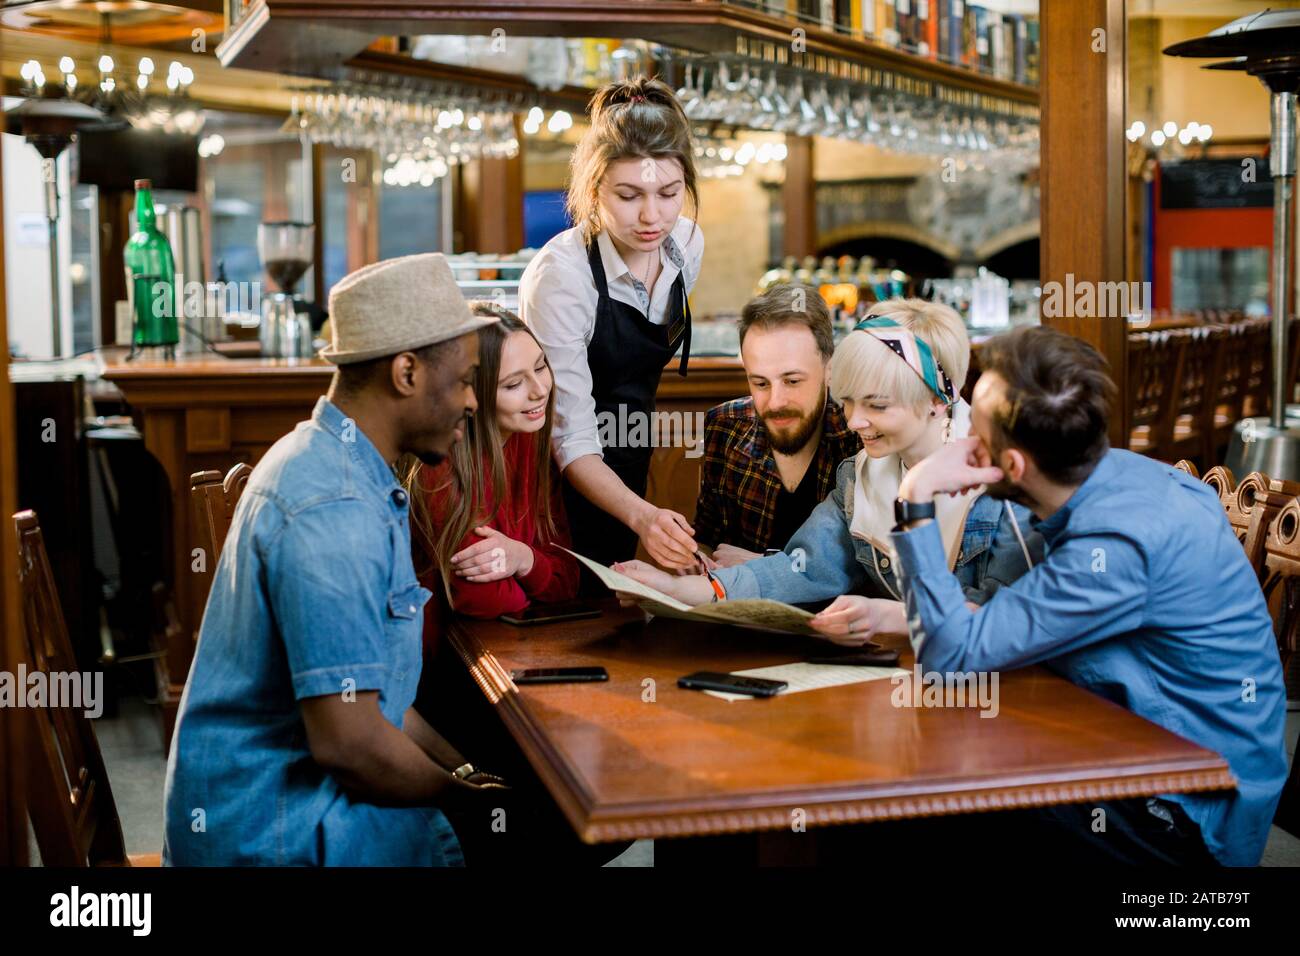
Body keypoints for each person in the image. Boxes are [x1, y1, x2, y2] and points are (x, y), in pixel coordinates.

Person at [889, 324, 1288, 865]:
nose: (962, 444)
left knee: (927, 802)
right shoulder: (1127, 476)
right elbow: (1048, 624)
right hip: (1138, 748)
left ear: (1012, 467)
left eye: (974, 434)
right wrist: (909, 616)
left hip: (1186, 817)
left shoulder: (1117, 544)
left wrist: (915, 497)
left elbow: (951, 658)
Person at [163, 253, 507, 866]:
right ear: (406, 373)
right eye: (463, 380)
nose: (473, 402)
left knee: (520, 810)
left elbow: (381, 707)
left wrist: (462, 770)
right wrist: (461, 798)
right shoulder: (334, 505)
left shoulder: (340, 462)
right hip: (271, 833)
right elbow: (351, 745)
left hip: (290, 804)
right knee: (535, 836)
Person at [613, 298, 1041, 645]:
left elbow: (1007, 620)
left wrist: (888, 614)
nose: (854, 421)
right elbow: (802, 567)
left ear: (936, 399)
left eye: (876, 405)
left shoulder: (1009, 485)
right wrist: (672, 591)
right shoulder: (859, 475)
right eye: (850, 401)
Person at [519, 75, 704, 575]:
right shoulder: (562, 278)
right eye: (628, 195)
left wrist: (640, 513)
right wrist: (643, 517)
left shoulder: (687, 245)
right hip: (558, 476)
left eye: (669, 193)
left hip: (629, 457)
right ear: (594, 188)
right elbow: (570, 436)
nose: (652, 216)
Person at [407, 302, 579, 627]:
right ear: (472, 392)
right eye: (513, 385)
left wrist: (522, 558)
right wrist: (534, 572)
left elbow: (567, 579)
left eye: (541, 367)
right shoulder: (436, 461)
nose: (540, 391)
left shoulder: (529, 437)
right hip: (445, 655)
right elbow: (482, 597)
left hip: (512, 645)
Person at [692, 284, 862, 566]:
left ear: (829, 369)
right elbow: (708, 539)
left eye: (792, 381)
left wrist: (764, 566)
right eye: (760, 383)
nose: (775, 402)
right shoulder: (724, 426)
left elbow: (868, 571)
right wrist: (690, 562)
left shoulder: (860, 437)